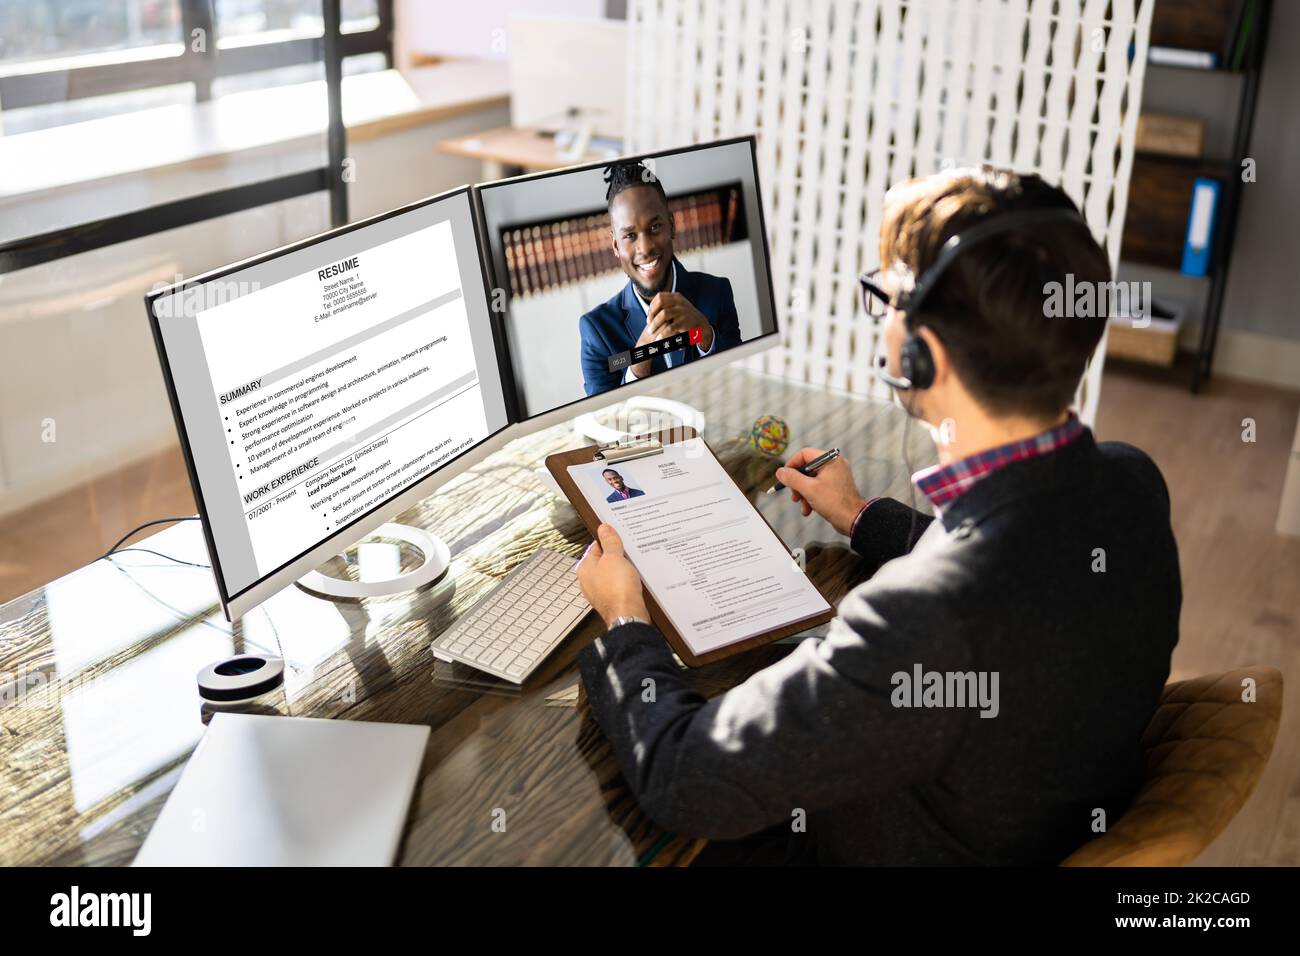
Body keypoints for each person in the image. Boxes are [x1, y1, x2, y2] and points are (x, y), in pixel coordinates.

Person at [571, 166, 1181, 866]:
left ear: (926, 355)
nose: (879, 318)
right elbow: (1025, 565)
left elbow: (684, 781)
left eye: (884, 298)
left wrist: (624, 618)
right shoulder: (1132, 483)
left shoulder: (922, 624)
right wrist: (862, 516)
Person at [578, 161, 742, 396]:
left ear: (672, 226)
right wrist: (639, 358)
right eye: (630, 236)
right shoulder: (596, 331)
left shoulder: (717, 292)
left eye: (655, 227)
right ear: (615, 245)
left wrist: (706, 335)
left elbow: (740, 387)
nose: (644, 248)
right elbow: (605, 421)